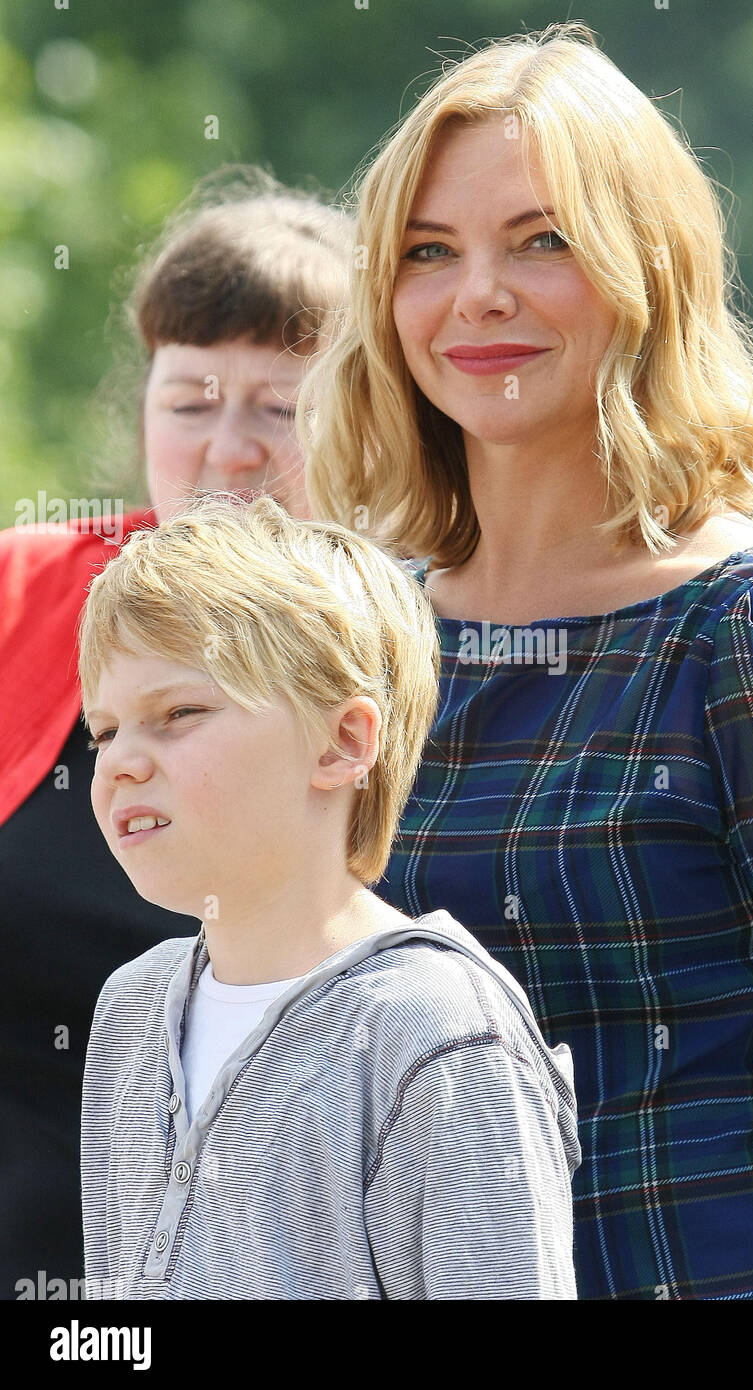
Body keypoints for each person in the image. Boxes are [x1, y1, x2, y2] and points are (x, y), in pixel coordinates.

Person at [298, 22, 753, 1300]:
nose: (480, 296)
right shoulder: (358, 636)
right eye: (428, 253)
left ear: (651, 272)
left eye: (543, 241)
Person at [77, 493, 580, 1299]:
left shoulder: (435, 1031)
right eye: (103, 730)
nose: (120, 763)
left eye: (179, 712)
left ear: (344, 742)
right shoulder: (129, 1010)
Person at [0, 167, 352, 1299]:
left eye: (281, 407)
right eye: (191, 400)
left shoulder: (428, 638)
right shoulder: (22, 597)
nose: (229, 450)